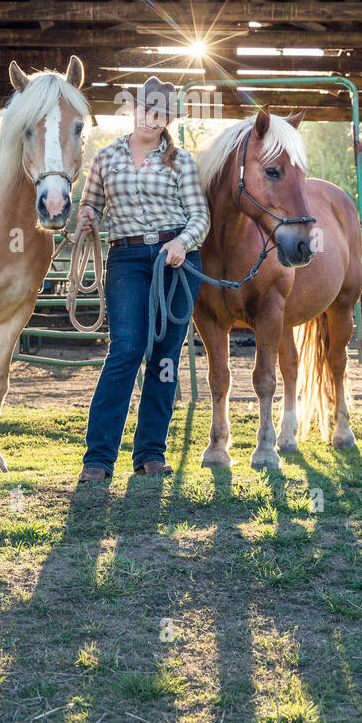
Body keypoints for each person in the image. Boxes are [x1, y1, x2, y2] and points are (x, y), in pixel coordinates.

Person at [74, 76, 210, 481]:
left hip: (176, 261)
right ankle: (98, 458)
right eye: (145, 110)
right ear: (132, 110)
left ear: (167, 118)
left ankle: (151, 452)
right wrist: (86, 218)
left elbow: (200, 217)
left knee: (165, 359)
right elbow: (91, 205)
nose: (151, 119)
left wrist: (182, 243)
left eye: (160, 113)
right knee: (127, 350)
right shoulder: (104, 158)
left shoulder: (181, 161)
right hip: (127, 257)